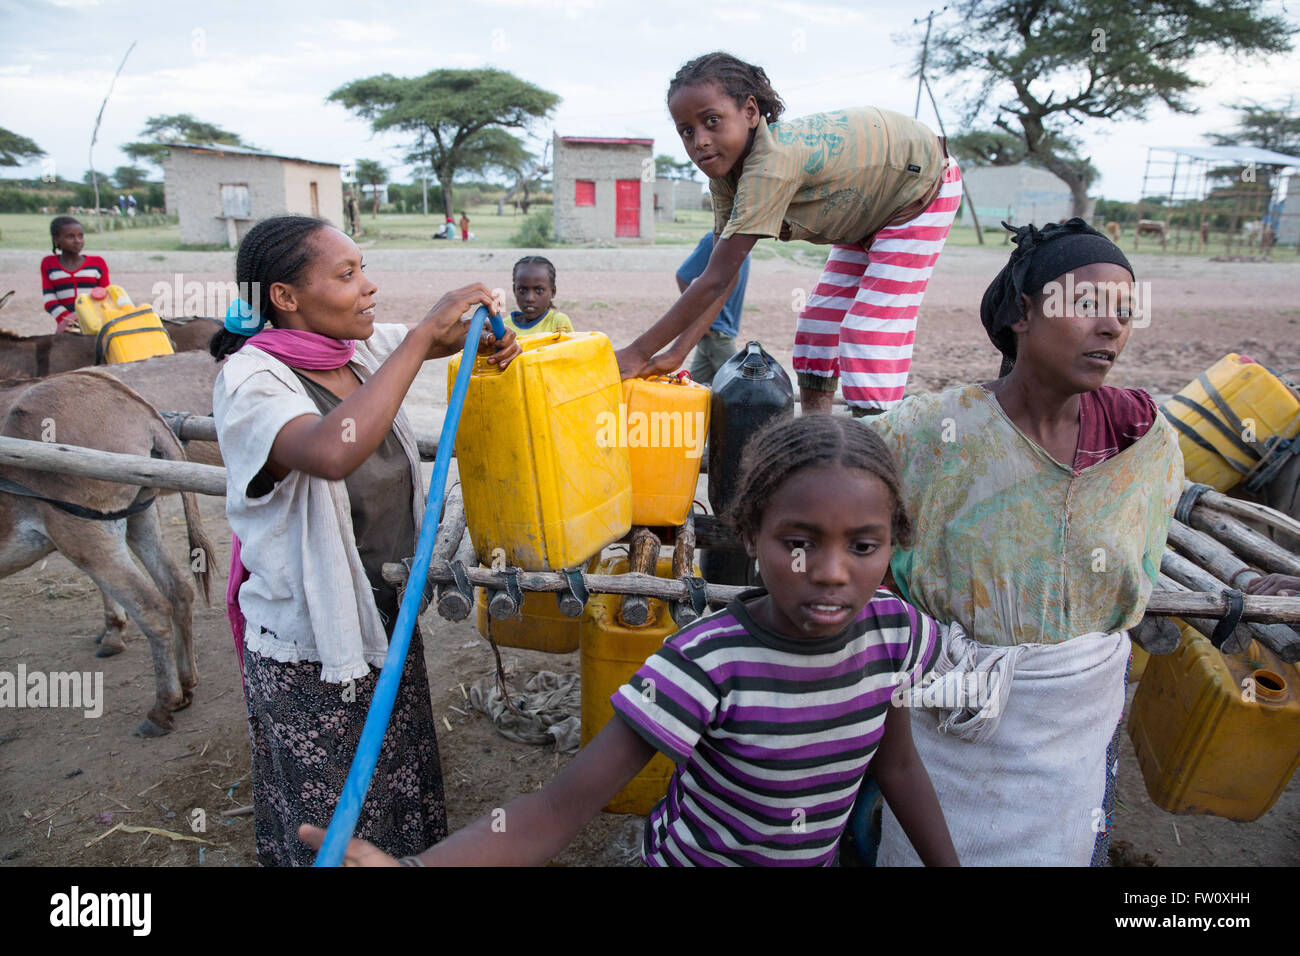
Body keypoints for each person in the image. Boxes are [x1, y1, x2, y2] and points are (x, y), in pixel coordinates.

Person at [300, 414, 959, 867]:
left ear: (893, 542)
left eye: (863, 546)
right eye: (798, 542)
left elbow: (895, 763)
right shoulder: (706, 665)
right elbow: (561, 806)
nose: (832, 571)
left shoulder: (894, 635)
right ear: (751, 534)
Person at [869, 219, 1183, 866]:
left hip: (1075, 722)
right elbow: (841, 504)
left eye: (1125, 314)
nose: (1112, 328)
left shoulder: (1142, 443)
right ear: (1022, 313)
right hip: (946, 729)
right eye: (1088, 305)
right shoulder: (928, 434)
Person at [209, 214, 520, 866]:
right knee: (329, 816)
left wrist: (487, 332)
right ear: (285, 298)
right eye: (347, 275)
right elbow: (329, 451)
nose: (369, 288)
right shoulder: (252, 381)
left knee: (391, 786)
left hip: (385, 619)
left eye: (363, 269)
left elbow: (436, 338)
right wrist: (419, 340)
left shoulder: (357, 351)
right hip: (311, 648)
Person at [613, 51, 962, 420]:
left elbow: (713, 282)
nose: (699, 141)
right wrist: (674, 354)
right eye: (686, 131)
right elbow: (722, 276)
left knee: (867, 330)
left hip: (920, 191)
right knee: (817, 321)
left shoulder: (772, 165)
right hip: (866, 214)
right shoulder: (724, 176)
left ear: (750, 112)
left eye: (711, 121)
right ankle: (815, 436)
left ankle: (879, 453)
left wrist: (635, 353)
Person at [676, 232, 750, 384]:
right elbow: (683, 276)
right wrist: (701, 318)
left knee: (696, 386)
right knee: (741, 386)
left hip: (720, 331)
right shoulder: (714, 240)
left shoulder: (745, 239)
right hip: (717, 332)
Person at [40, 216, 110, 333]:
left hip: (95, 325)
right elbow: (49, 300)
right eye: (70, 236)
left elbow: (105, 296)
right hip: (67, 327)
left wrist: (86, 318)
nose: (77, 240)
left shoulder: (98, 263)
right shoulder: (48, 264)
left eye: (80, 236)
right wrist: (68, 319)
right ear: (56, 239)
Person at [504, 256, 574, 337]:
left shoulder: (558, 323)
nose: (530, 298)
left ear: (553, 291)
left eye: (539, 290)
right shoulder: (504, 327)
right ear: (514, 290)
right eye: (522, 290)